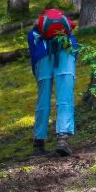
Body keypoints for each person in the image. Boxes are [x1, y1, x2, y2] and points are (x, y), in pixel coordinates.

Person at [26, 8, 79, 157]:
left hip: (42, 56)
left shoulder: (33, 34)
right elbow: (75, 47)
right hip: (66, 51)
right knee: (65, 97)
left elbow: (33, 59)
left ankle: (38, 143)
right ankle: (63, 139)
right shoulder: (67, 32)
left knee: (43, 100)